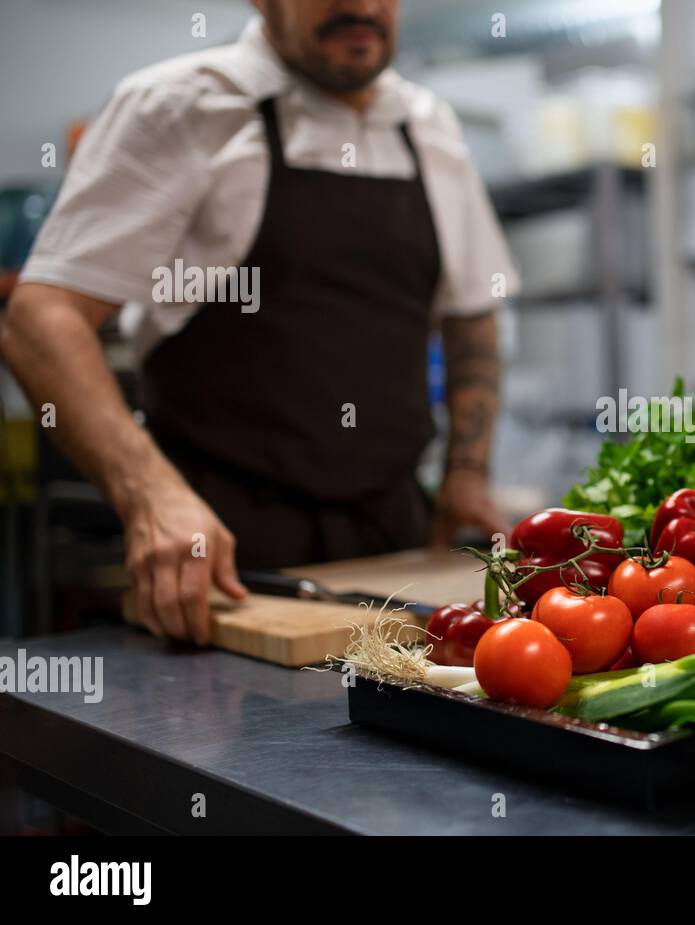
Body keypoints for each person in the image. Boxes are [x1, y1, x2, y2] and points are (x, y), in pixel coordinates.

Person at [0, 1, 518, 644]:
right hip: (222, 559)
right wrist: (150, 498)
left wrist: (467, 475)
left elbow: (472, 314)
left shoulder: (430, 125)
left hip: (397, 543)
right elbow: (39, 319)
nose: (360, 6)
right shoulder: (182, 104)